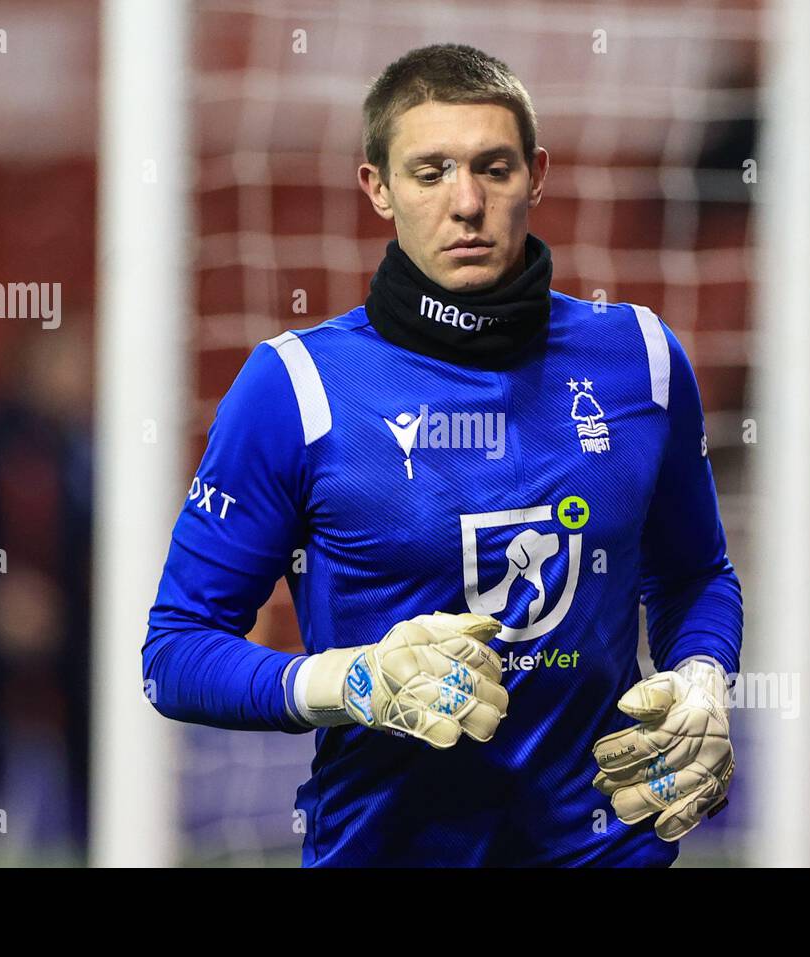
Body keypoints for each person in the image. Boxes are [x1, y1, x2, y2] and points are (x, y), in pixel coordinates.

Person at [144, 43, 742, 867]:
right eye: (431, 173)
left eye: (493, 169)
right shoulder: (296, 387)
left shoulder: (638, 358)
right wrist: (350, 681)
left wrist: (705, 676)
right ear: (378, 189)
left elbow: (694, 574)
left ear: (536, 175)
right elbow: (174, 653)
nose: (467, 202)